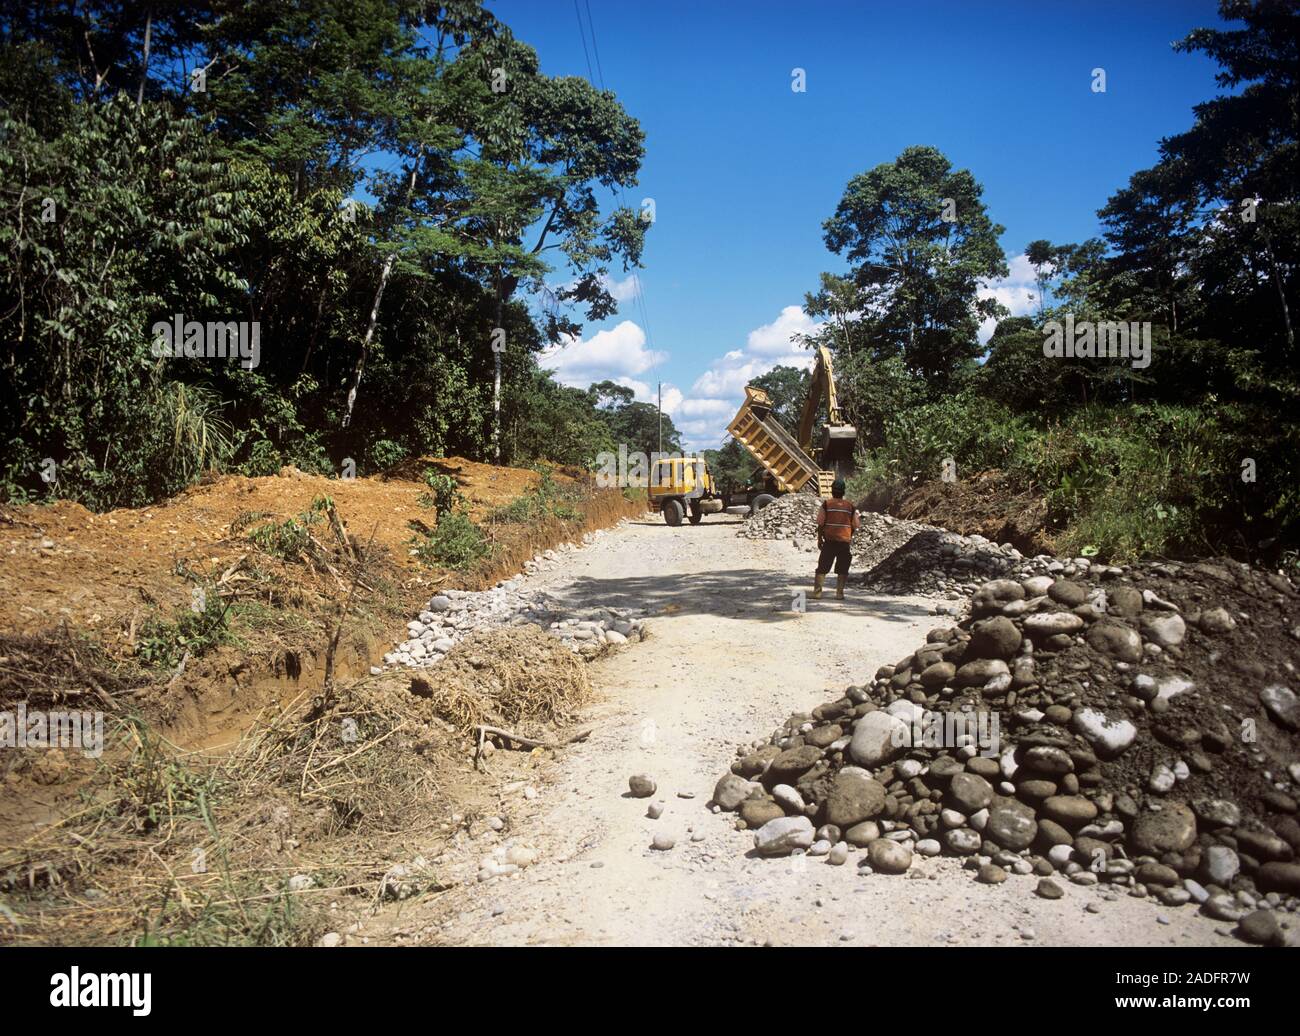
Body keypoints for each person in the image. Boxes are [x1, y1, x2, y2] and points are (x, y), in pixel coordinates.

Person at [813, 478, 859, 600]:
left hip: (830, 541)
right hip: (844, 542)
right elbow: (855, 525)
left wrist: (819, 539)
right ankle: (839, 594)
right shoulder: (850, 506)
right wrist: (848, 535)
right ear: (843, 492)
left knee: (822, 566)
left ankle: (817, 593)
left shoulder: (827, 504)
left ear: (832, 491)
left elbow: (820, 524)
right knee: (843, 568)